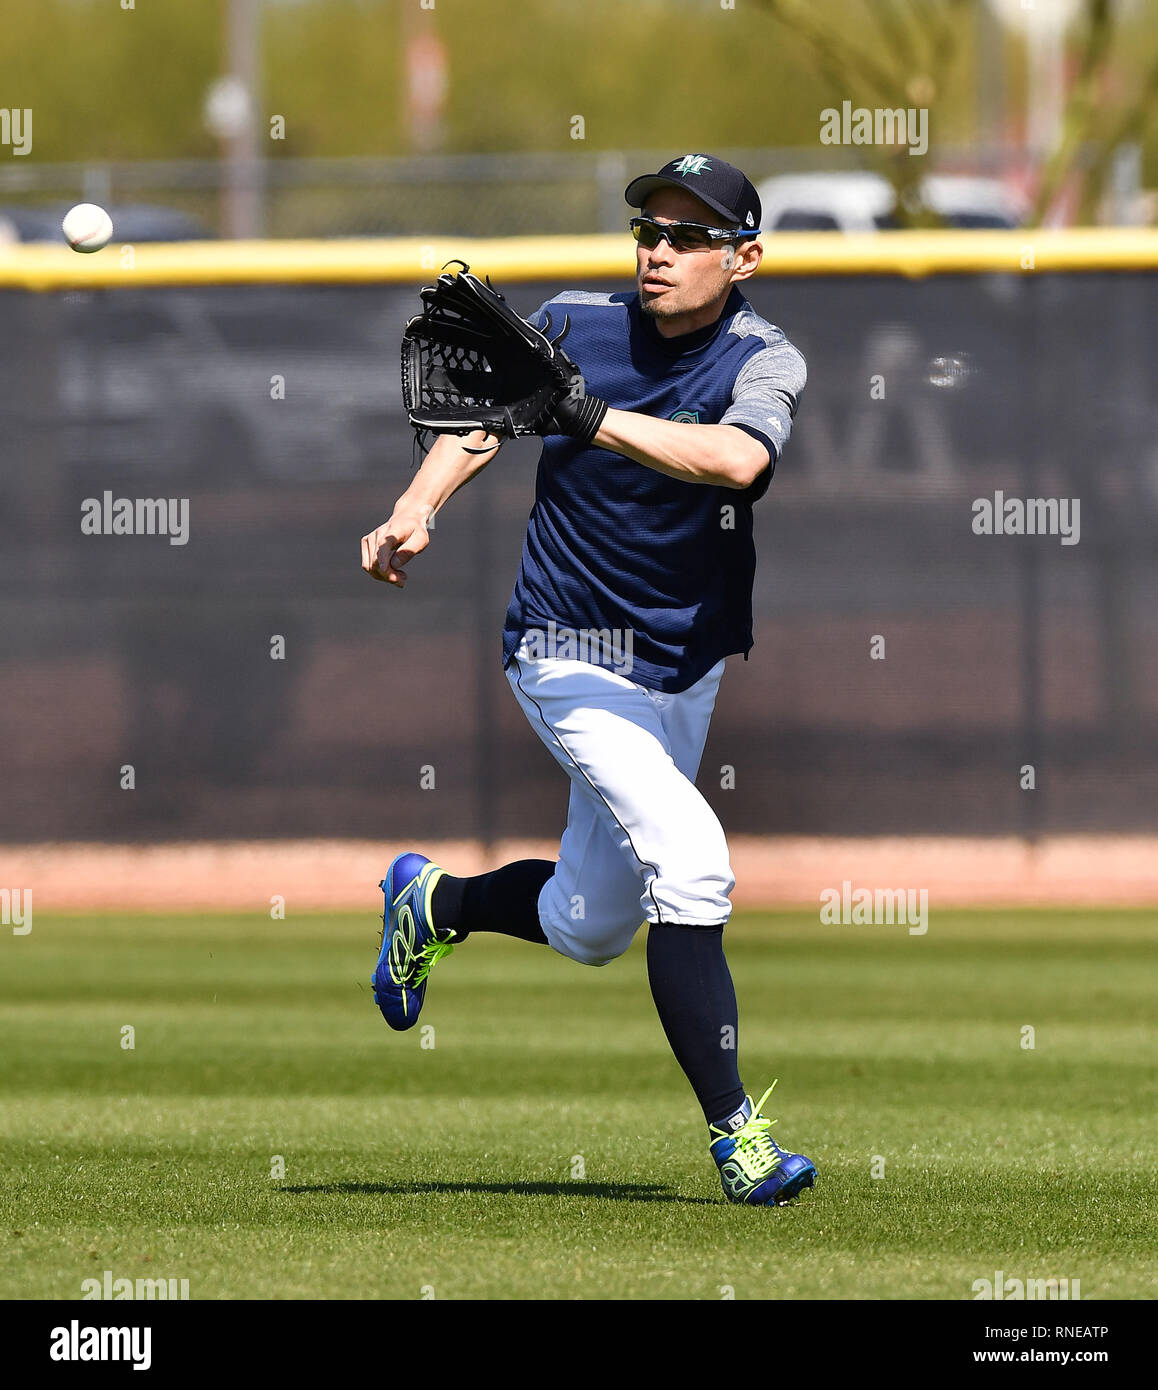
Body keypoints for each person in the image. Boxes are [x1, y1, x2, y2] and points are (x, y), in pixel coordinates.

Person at [360, 154, 814, 1206]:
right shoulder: (576, 322)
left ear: (746, 258)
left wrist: (586, 414)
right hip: (570, 648)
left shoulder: (764, 357)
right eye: (650, 229)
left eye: (691, 236)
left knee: (590, 923)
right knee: (692, 863)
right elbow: (487, 415)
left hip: (684, 663)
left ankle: (432, 902)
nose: (661, 250)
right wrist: (419, 503)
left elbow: (738, 461)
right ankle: (739, 1140)